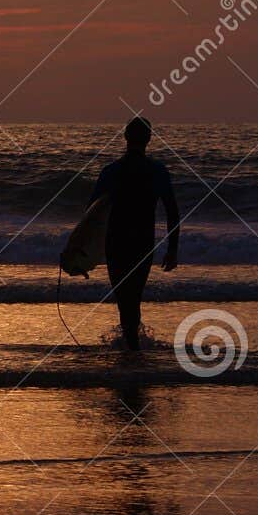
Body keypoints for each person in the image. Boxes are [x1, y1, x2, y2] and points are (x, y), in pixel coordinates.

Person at [93, 117, 180, 351]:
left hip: (116, 241)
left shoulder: (110, 172)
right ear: (149, 139)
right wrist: (172, 249)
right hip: (143, 241)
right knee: (133, 297)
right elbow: (172, 210)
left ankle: (131, 349)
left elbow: (92, 216)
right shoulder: (157, 171)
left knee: (124, 299)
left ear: (125, 137)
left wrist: (84, 252)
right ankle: (133, 349)